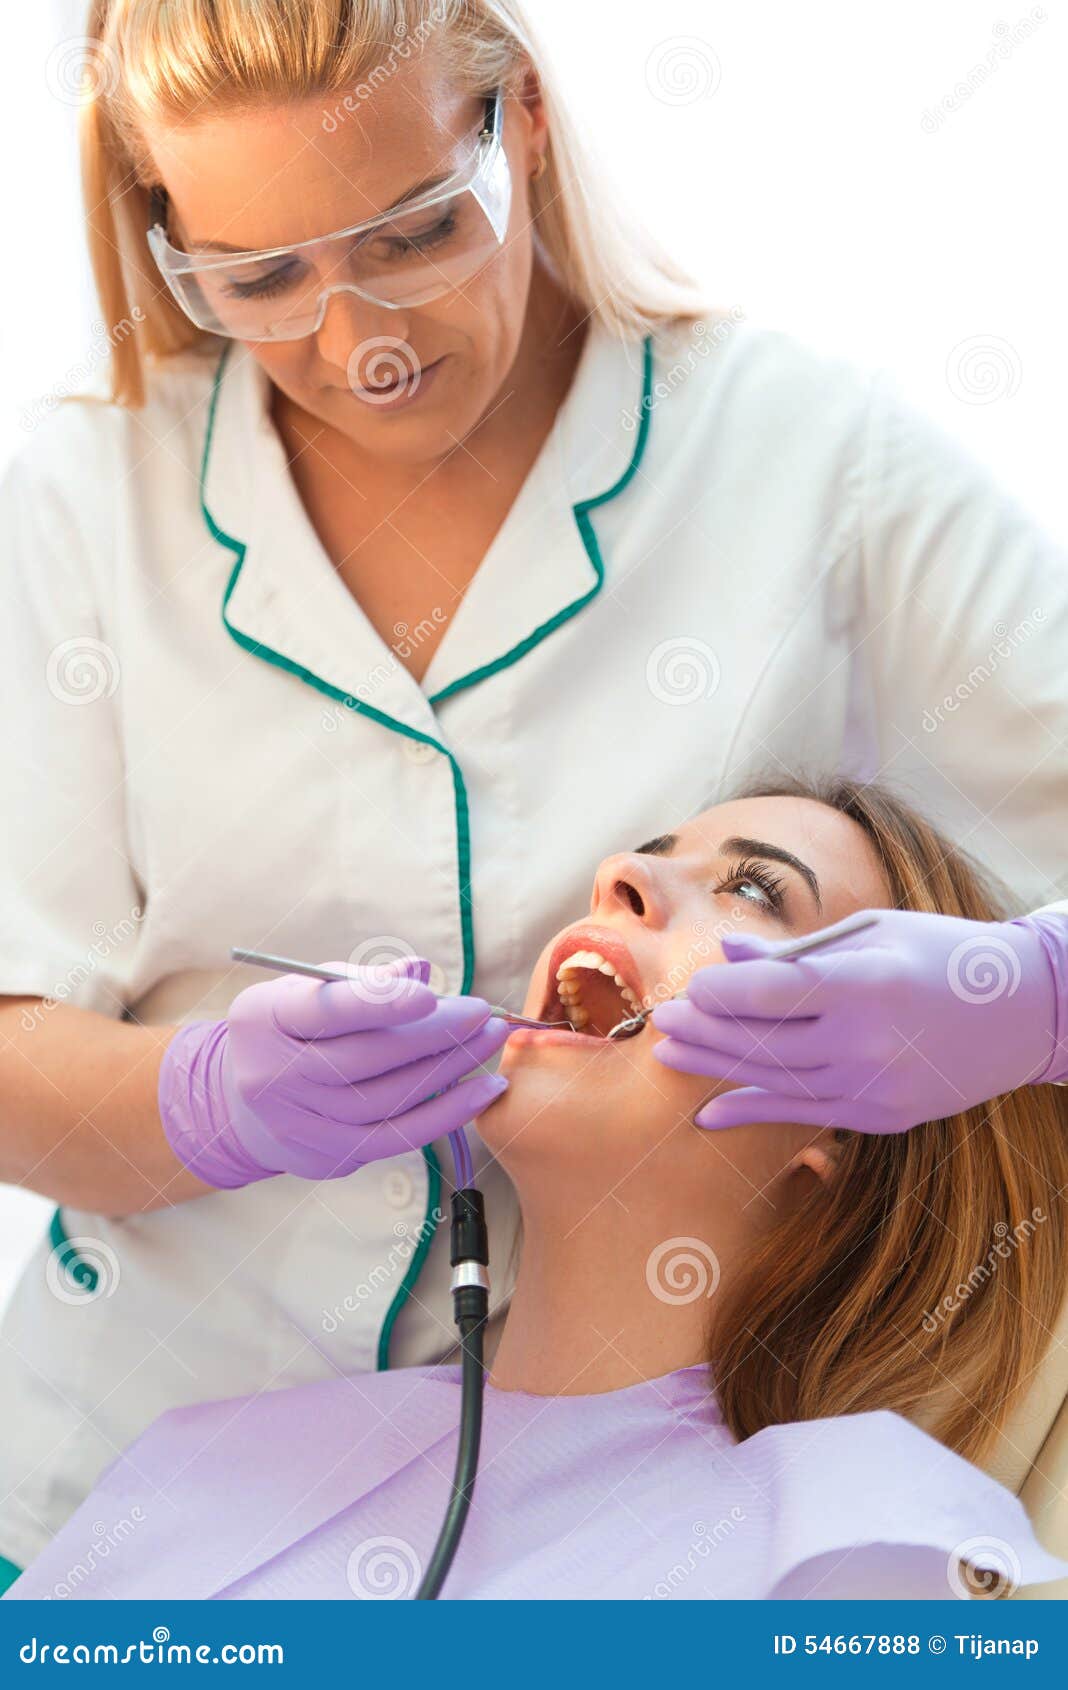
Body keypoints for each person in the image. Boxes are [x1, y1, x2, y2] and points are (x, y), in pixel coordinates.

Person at [2, 0, 1068, 1589]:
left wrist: (1031, 995)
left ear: (530, 128)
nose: (355, 335)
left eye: (418, 229)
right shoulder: (78, 507)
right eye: (260, 277)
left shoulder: (811, 460)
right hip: (133, 1492)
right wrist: (188, 1100)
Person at [8, 781, 1068, 1600]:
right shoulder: (213, 1458)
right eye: (649, 855)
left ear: (852, 1109)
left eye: (754, 889)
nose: (620, 874)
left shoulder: (869, 1524)